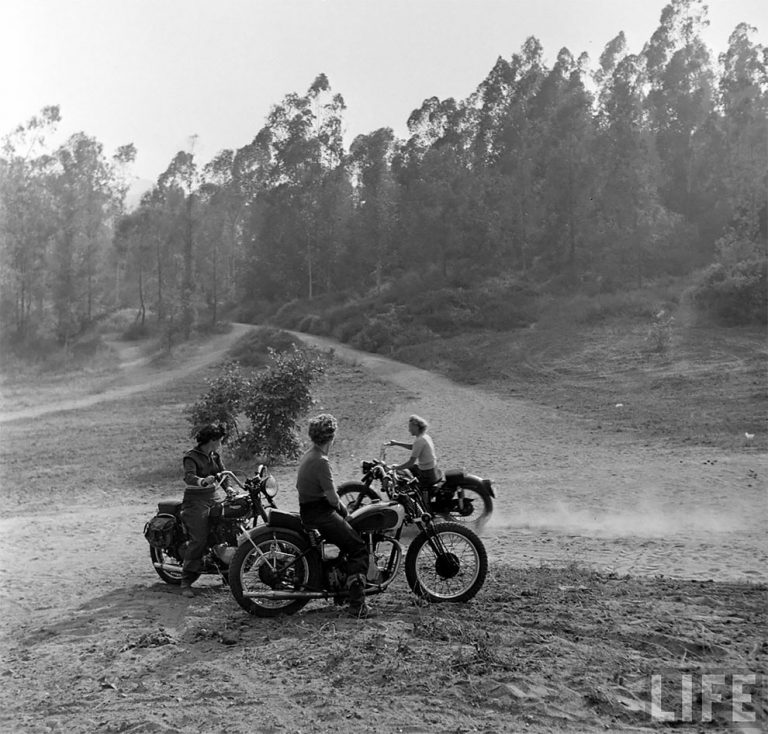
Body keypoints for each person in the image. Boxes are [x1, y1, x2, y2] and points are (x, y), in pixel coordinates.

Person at [297, 413, 374, 619]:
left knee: (346, 543)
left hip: (309, 510)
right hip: (321, 513)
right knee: (358, 548)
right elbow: (332, 498)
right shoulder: (321, 461)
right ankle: (357, 604)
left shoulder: (309, 454)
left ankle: (344, 588)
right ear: (332, 436)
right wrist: (346, 513)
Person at [180, 423, 228, 598]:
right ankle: (186, 581)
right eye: (220, 440)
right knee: (199, 538)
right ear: (212, 440)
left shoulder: (214, 455)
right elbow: (189, 476)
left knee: (225, 530)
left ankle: (228, 573)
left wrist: (229, 488)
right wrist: (201, 481)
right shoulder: (191, 456)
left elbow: (223, 473)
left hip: (213, 497)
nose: (221, 443)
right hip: (195, 500)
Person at [387, 414, 443, 493]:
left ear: (416, 427)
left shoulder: (419, 440)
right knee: (410, 469)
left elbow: (411, 462)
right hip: (432, 468)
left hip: (427, 473)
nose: (409, 430)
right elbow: (413, 447)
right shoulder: (424, 436)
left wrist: (396, 468)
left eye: (410, 427)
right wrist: (396, 443)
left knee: (408, 486)